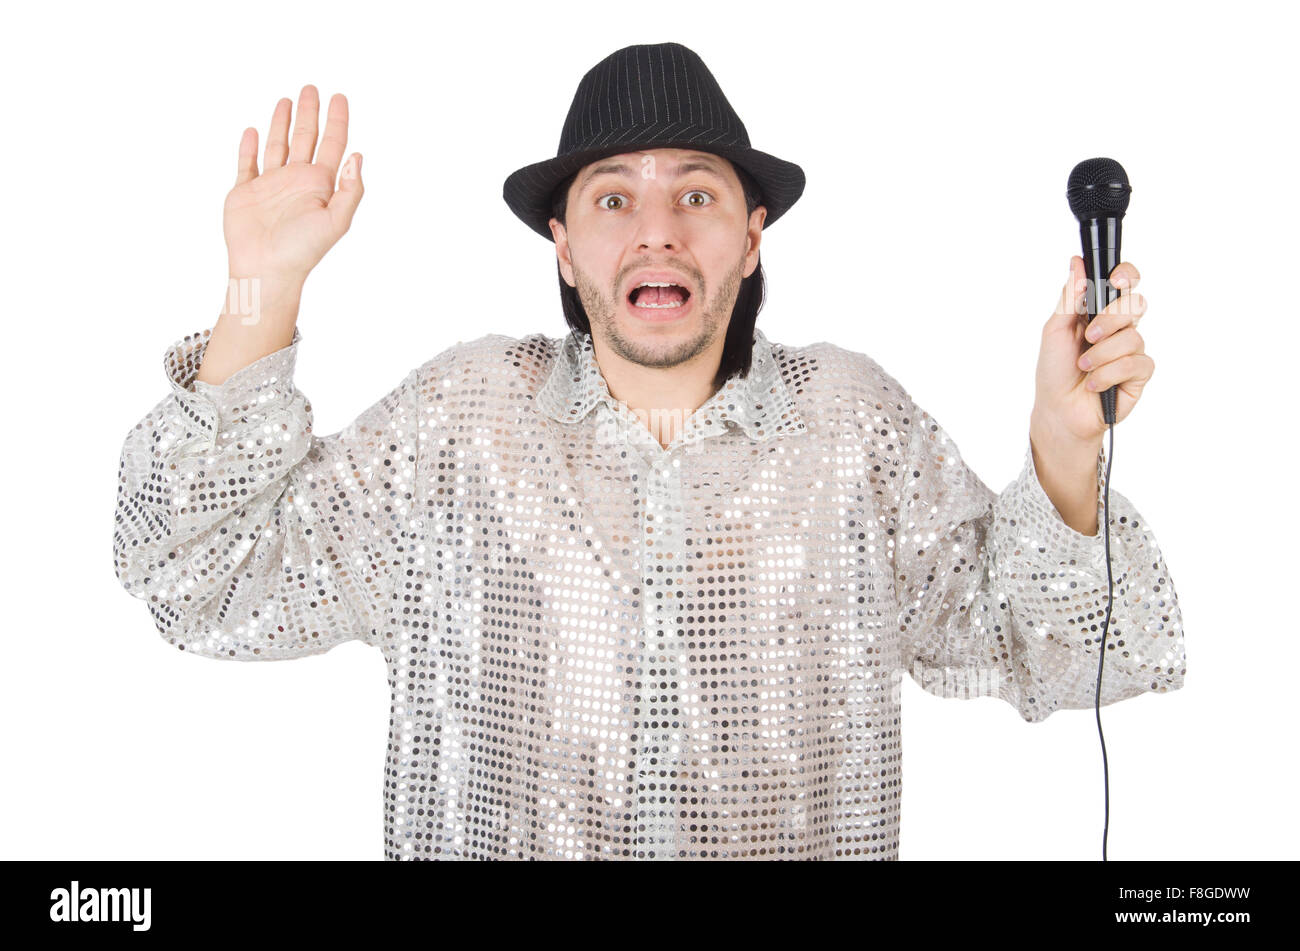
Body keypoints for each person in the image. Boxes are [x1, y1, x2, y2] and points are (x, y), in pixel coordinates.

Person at [113, 42, 1186, 860]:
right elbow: (201, 582)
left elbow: (1064, 647)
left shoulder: (852, 429)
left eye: (697, 194)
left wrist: (1059, 443)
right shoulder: (463, 420)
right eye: (614, 198)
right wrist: (260, 294)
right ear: (567, 248)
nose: (656, 229)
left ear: (752, 234)